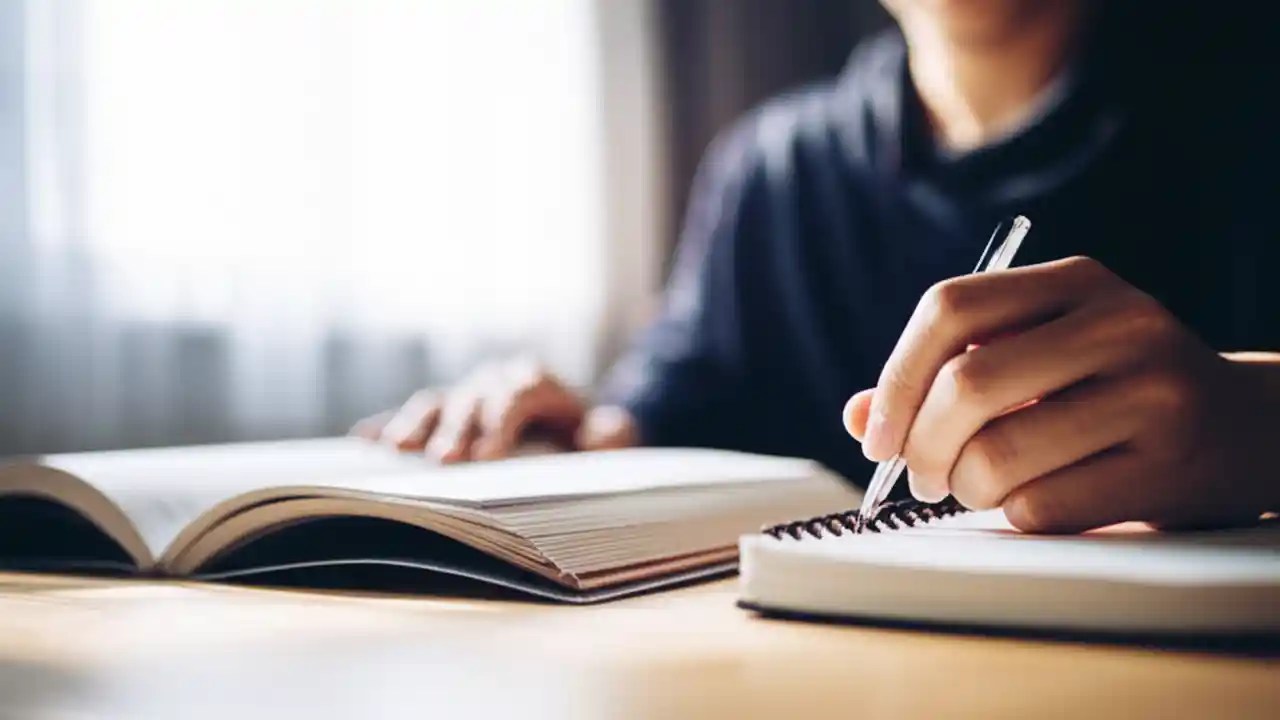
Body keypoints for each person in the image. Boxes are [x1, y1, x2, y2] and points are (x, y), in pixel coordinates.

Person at [354, 0, 1280, 533]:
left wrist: (1255, 427)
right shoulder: (771, 168)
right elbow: (660, 425)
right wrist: (558, 431)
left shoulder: (1248, 102)